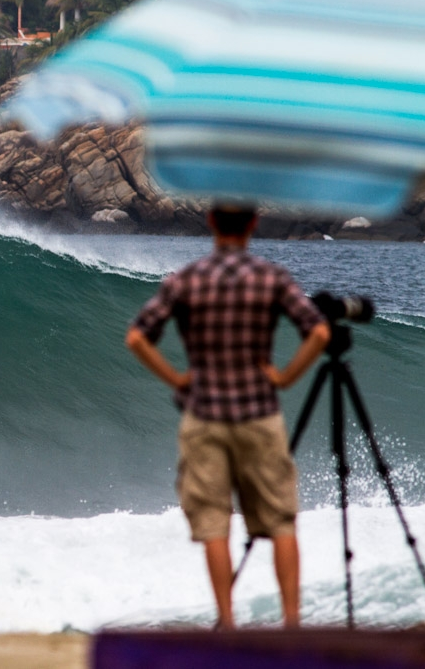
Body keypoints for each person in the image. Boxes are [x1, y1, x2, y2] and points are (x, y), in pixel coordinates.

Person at [125, 202, 331, 629]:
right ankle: (292, 624)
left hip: (205, 417)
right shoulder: (272, 277)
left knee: (214, 524)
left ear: (211, 222)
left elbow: (137, 338)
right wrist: (286, 377)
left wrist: (177, 379)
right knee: (280, 521)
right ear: (253, 224)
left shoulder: (186, 279)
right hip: (259, 416)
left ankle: (227, 623)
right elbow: (319, 331)